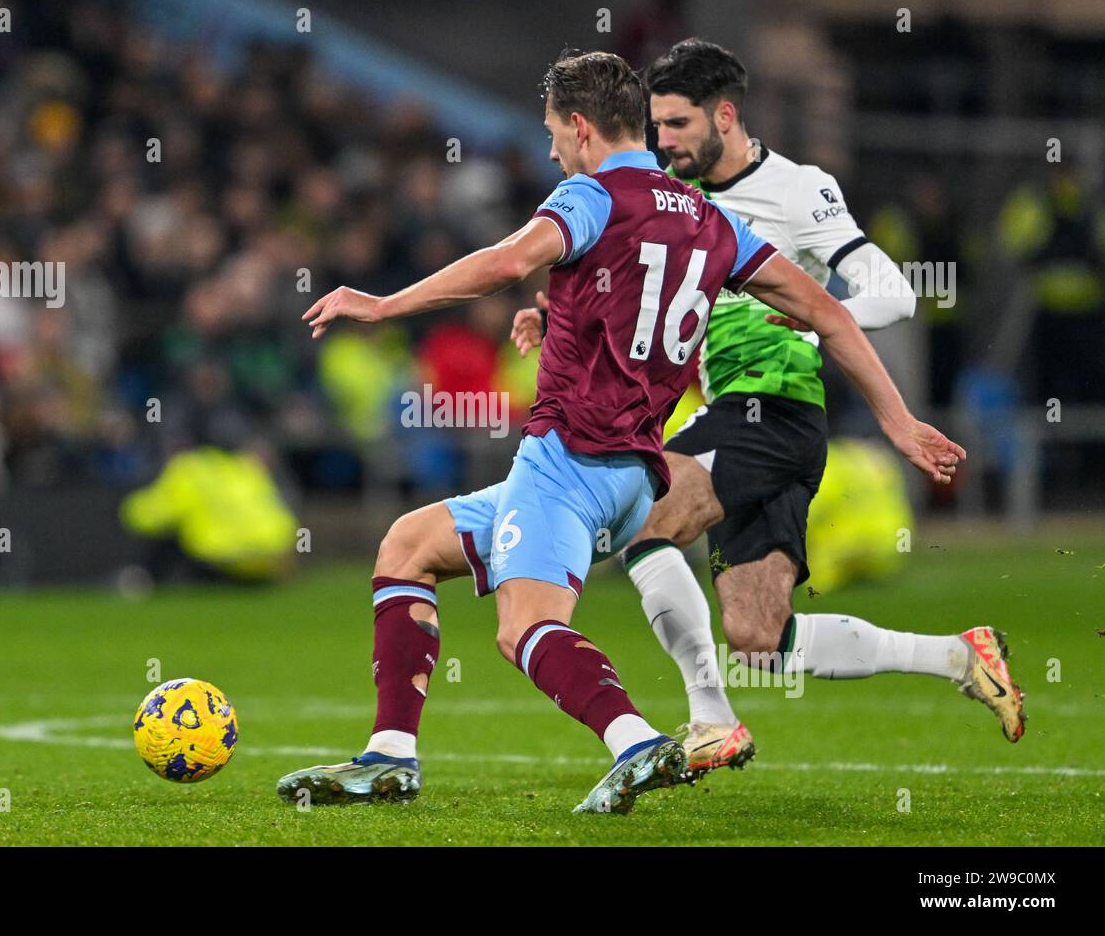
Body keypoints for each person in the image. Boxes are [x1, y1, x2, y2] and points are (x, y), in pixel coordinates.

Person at [278, 50, 964, 815]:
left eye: (551, 133)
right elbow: (830, 312)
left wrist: (379, 305)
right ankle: (390, 755)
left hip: (566, 458)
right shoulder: (711, 217)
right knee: (409, 544)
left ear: (580, 127)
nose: (548, 150)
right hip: (634, 474)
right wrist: (898, 421)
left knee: (524, 630)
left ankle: (636, 741)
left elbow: (508, 262)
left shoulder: (588, 196)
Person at [512, 40, 1024, 784]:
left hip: (772, 411)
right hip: (745, 423)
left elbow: (894, 291)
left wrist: (816, 318)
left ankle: (712, 721)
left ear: (726, 115)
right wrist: (559, 321)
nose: (666, 141)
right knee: (759, 636)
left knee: (643, 524)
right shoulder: (668, 196)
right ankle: (957, 654)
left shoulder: (798, 190)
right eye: (656, 125)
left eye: (681, 123)